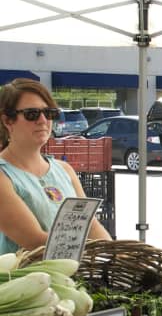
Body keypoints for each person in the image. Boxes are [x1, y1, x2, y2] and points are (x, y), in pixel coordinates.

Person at [0, 78, 112, 252]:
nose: (43, 120)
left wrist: (115, 253)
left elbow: (91, 225)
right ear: (8, 121)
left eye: (49, 112)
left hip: (73, 276)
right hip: (29, 277)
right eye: (32, 114)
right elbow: (34, 240)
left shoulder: (64, 170)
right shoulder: (3, 176)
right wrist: (94, 252)